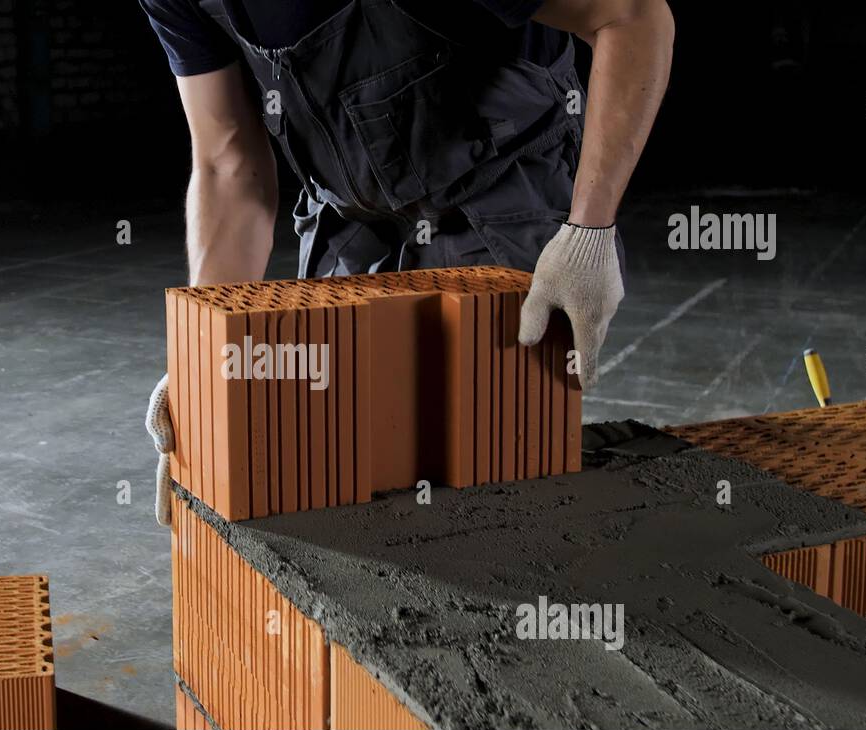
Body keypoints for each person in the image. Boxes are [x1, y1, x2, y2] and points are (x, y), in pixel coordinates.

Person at [142, 0, 674, 525]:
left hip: (498, 197)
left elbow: (632, 17)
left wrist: (588, 229)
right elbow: (226, 160)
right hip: (357, 222)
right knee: (336, 462)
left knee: (499, 471)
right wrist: (203, 353)